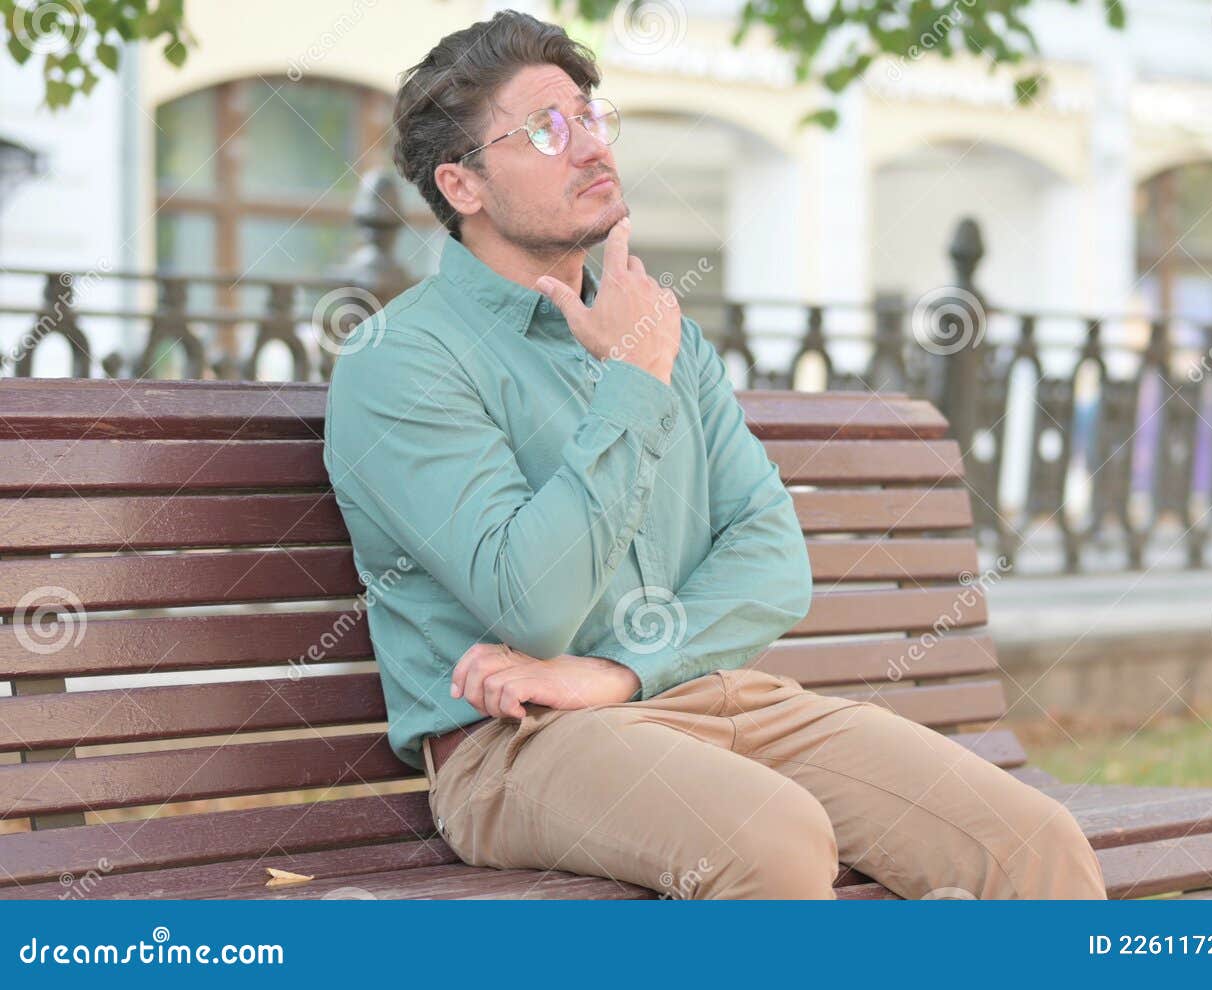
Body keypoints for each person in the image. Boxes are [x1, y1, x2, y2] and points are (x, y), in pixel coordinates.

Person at [323, 10, 1105, 900]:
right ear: (461, 185)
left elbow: (772, 559)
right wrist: (635, 380)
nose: (589, 146)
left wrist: (620, 671)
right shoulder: (406, 358)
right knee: (771, 841)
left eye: (590, 115)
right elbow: (532, 606)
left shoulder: (659, 330)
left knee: (1031, 843)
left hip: (707, 697)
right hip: (518, 747)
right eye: (545, 129)